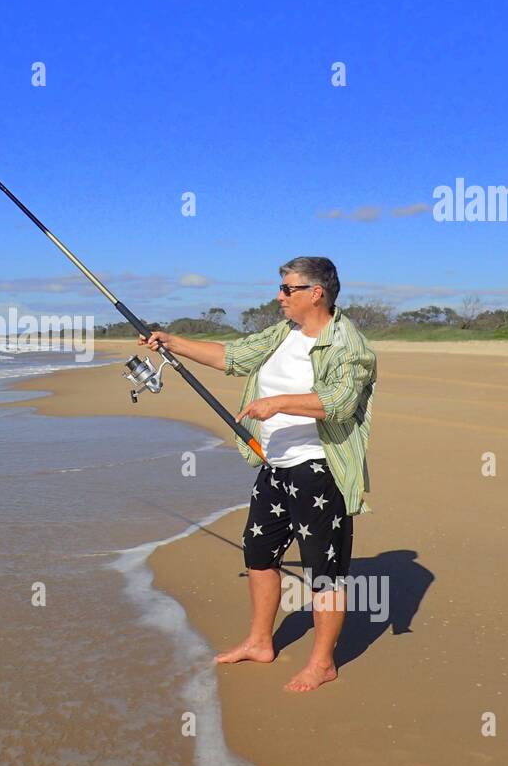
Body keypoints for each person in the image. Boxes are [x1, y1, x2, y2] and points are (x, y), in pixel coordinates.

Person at [139, 256, 376, 692]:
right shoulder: (283, 333)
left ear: (316, 293)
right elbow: (234, 356)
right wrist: (172, 342)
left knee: (323, 573)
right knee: (258, 554)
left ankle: (323, 662)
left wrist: (278, 403)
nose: (279, 296)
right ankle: (259, 641)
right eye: (281, 288)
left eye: (288, 289)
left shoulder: (347, 343)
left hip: (319, 470)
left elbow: (339, 401)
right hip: (274, 465)